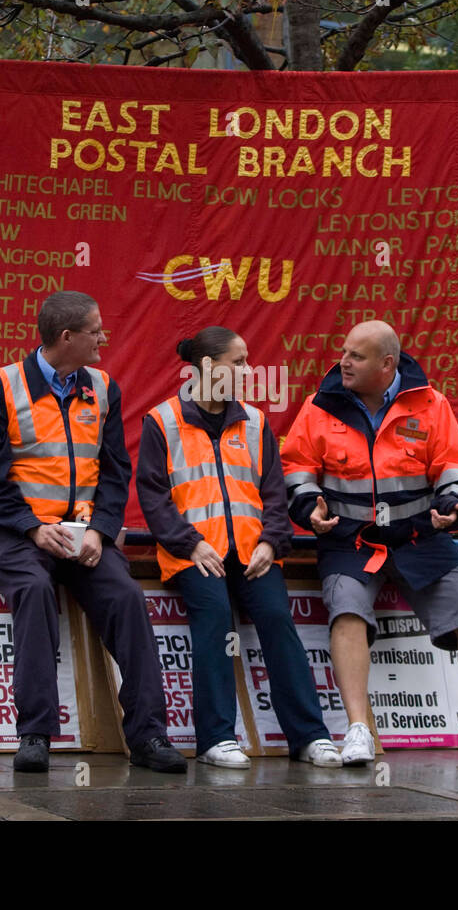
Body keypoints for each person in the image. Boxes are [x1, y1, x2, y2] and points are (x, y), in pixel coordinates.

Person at [281, 320, 458, 767]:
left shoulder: (432, 405)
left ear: (387, 364)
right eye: (344, 352)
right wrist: (308, 506)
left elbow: (457, 465)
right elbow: (297, 467)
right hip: (348, 540)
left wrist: (453, 506)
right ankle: (358, 730)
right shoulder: (319, 407)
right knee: (348, 613)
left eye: (356, 356)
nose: (344, 362)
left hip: (420, 537)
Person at [0, 290, 186, 774]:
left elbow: (114, 471)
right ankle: (35, 734)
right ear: (66, 337)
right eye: (95, 331)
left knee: (128, 597)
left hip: (83, 534)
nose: (103, 340)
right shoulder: (3, 385)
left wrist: (101, 532)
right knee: (33, 588)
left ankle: (149, 736)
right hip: (13, 532)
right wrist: (31, 529)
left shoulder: (103, 387)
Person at [136, 327, 342, 769]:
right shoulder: (163, 420)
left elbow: (274, 493)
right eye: (239, 361)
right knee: (212, 620)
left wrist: (272, 541)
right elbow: (153, 496)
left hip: (255, 552)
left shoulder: (255, 420)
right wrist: (189, 544)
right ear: (208, 366)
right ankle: (215, 738)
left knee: (276, 620)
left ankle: (310, 736)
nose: (247, 370)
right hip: (195, 553)